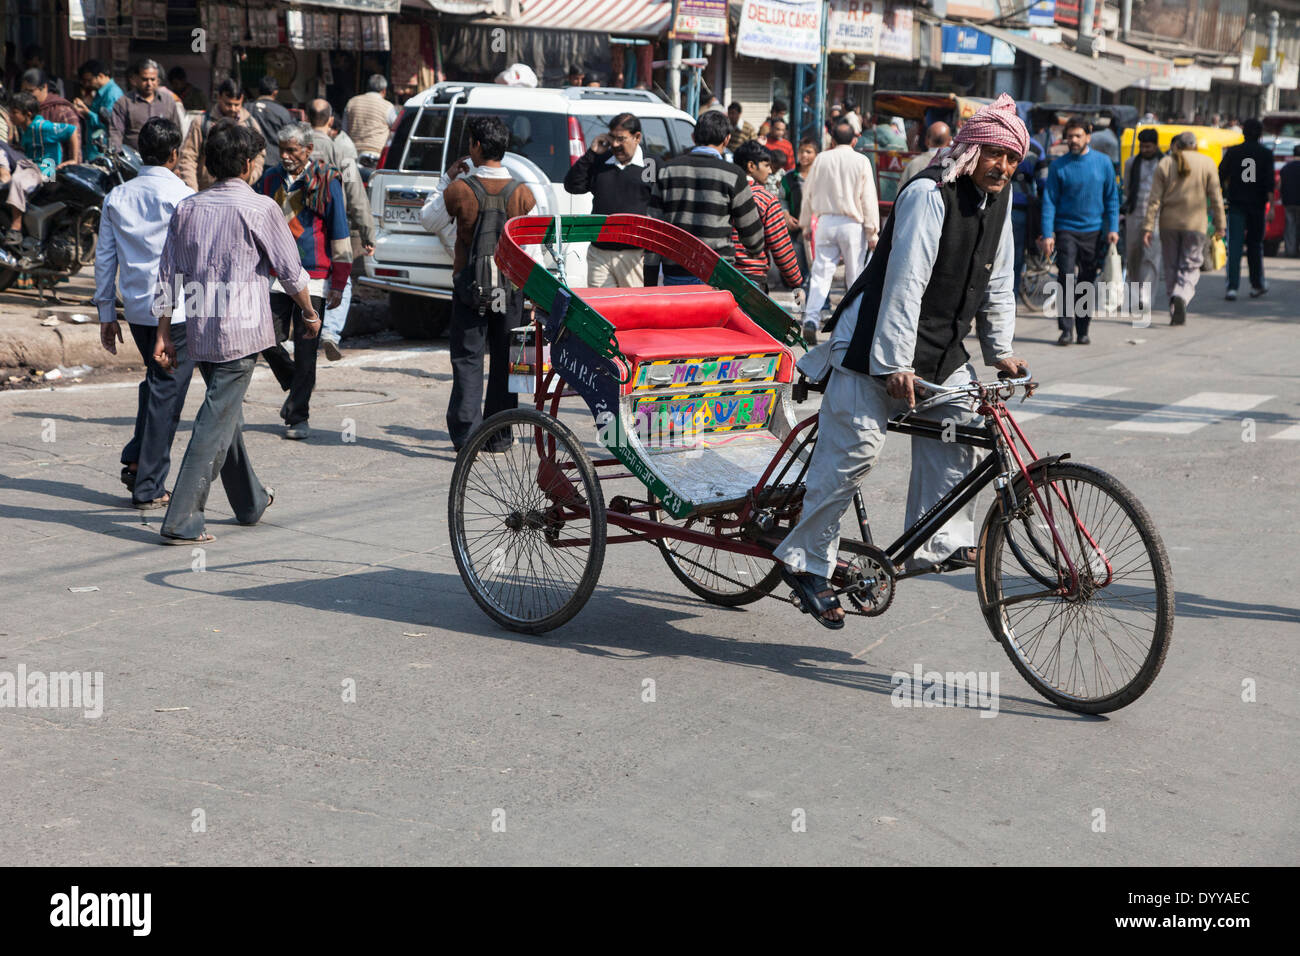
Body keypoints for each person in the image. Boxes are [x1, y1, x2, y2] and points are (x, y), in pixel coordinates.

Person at [776, 94, 1029, 627]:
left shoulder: (1001, 200)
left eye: (1012, 158)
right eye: (995, 155)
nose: (1003, 166)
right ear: (972, 150)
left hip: (939, 349)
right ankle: (805, 563)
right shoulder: (929, 194)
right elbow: (904, 282)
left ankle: (938, 540)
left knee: (962, 424)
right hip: (873, 345)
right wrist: (894, 363)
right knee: (854, 454)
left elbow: (998, 280)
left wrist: (1000, 350)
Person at [154, 123, 319, 544]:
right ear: (247, 165)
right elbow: (290, 270)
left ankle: (250, 502)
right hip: (241, 332)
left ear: (209, 163)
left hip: (199, 329)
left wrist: (162, 332)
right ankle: (181, 518)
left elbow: (166, 275)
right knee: (214, 419)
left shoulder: (187, 208)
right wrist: (309, 312)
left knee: (224, 413)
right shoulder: (260, 208)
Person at [94, 118, 196, 508]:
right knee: (167, 391)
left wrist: (106, 312)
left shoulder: (118, 196)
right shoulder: (184, 196)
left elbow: (105, 258)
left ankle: (138, 461)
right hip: (178, 312)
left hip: (137, 308)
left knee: (158, 384)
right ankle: (148, 483)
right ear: (174, 154)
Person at [420, 115, 536, 451]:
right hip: (510, 291)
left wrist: (446, 178)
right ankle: (499, 436)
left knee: (468, 360)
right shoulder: (522, 193)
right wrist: (531, 298)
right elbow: (530, 251)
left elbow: (429, 221)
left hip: (470, 289)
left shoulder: (460, 189)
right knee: (505, 362)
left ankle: (467, 437)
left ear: (476, 146)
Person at [257, 122, 352, 440]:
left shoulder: (328, 179)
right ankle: (296, 382)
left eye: (292, 150)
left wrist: (339, 281)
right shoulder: (269, 179)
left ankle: (298, 415)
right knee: (266, 336)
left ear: (308, 150)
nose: (285, 156)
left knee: (307, 348)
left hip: (315, 276)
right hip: (275, 274)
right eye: (281, 150)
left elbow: (340, 229)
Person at [645, 109, 763, 287]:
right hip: (717, 273)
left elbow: (654, 228)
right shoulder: (733, 174)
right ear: (727, 139)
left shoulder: (667, 171)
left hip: (676, 272)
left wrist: (651, 278)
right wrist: (755, 249)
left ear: (693, 137)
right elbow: (751, 233)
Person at [1038, 116, 1119, 346]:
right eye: (1070, 136)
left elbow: (1112, 198)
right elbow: (1049, 201)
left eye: (1077, 136)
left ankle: (1083, 329)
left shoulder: (1103, 163)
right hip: (1066, 230)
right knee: (1066, 277)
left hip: (1093, 232)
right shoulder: (1058, 166)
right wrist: (1047, 234)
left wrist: (1112, 228)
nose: (1073, 140)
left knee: (1086, 280)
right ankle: (1066, 329)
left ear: (1088, 136)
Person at [306, 99, 376, 360]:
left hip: (300, 229)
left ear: (305, 117)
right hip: (335, 226)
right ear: (331, 120)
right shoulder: (341, 151)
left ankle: (302, 330)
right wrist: (368, 233)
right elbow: (355, 195)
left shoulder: (296, 148)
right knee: (342, 279)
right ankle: (331, 332)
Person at [799, 120, 879, 344]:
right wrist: (872, 232)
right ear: (854, 139)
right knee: (854, 276)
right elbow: (868, 199)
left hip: (824, 222)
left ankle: (811, 319)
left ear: (832, 140)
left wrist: (806, 224)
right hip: (852, 225)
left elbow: (808, 193)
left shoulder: (822, 159)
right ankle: (852, 325)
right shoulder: (861, 161)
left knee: (820, 274)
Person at [1141, 131, 1225, 325]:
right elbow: (1216, 198)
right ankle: (1181, 295)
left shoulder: (1165, 163)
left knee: (1170, 265)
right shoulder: (1207, 163)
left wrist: (1147, 227)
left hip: (1168, 223)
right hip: (1195, 224)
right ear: (1195, 145)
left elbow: (1154, 200)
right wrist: (1220, 225)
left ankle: (1174, 307)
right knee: (1190, 264)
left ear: (1176, 145)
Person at [563, 112, 651, 287]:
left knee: (632, 309)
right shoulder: (600, 161)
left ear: (637, 137)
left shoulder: (652, 165)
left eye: (621, 139)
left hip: (635, 255)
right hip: (599, 253)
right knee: (601, 309)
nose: (615, 145)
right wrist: (592, 153)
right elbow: (573, 185)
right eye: (612, 139)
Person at [729, 141, 802, 293]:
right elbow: (781, 247)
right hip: (752, 279)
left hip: (721, 276)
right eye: (766, 165)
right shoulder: (766, 199)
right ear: (751, 166)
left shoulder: (723, 193)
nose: (770, 171)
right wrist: (795, 281)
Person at [1219, 118, 1274, 299]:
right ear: (1260, 134)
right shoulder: (1266, 154)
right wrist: (1271, 207)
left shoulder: (1233, 152)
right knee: (1254, 245)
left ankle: (1232, 287)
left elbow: (1221, 174)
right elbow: (1269, 184)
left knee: (1234, 246)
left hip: (1236, 204)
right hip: (1257, 206)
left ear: (1243, 133)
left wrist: (1225, 193)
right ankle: (1256, 284)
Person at [177, 78, 265, 191]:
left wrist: (249, 178)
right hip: (206, 191)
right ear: (219, 97)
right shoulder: (201, 123)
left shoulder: (250, 124)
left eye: (236, 105)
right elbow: (188, 158)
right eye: (228, 104)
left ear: (242, 99)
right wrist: (193, 190)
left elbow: (259, 156)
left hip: (241, 193)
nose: (233, 109)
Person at [1122, 128, 1163, 308]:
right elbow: (1127, 189)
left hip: (1157, 218)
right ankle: (1133, 294)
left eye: (1148, 147)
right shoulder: (1131, 163)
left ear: (1155, 146)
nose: (1145, 150)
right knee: (1133, 256)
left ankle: (1145, 297)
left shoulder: (1164, 163)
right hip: (1134, 214)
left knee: (1151, 257)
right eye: (1142, 146)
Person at [110, 59, 185, 151]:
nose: (149, 83)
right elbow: (116, 132)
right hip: (133, 160)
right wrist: (118, 154)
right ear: (135, 79)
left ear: (158, 80)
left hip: (162, 159)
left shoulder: (168, 101)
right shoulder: (124, 102)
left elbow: (176, 130)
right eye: (145, 79)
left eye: (152, 79)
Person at [19, 68, 82, 163]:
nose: (26, 96)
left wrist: (73, 161)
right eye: (24, 92)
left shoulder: (62, 111)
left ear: (44, 87)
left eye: (30, 92)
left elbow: (75, 140)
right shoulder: (24, 111)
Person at [780, 137, 818, 281]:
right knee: (797, 261)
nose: (804, 155)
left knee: (814, 263)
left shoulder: (821, 175)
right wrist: (786, 216)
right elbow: (782, 198)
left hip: (816, 229)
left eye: (808, 152)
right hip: (795, 229)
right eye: (801, 151)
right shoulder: (789, 177)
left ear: (816, 155)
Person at [73, 60, 124, 162]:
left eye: (89, 80)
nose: (87, 84)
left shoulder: (112, 94)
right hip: (94, 150)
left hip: (103, 151)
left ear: (100, 76)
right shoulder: (101, 92)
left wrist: (86, 112)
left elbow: (109, 122)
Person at [343, 74, 398, 159]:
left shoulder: (352, 102)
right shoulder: (387, 106)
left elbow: (344, 130)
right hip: (376, 154)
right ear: (384, 91)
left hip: (353, 152)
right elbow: (396, 130)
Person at [246, 76, 294, 168]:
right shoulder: (282, 112)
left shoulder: (246, 108)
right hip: (275, 164)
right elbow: (290, 138)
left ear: (258, 90)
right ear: (275, 92)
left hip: (251, 163)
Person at [899, 121, 952, 188]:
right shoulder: (954, 166)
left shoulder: (913, 163)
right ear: (949, 141)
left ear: (926, 141)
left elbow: (901, 191)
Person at [1281, 144, 1300, 257]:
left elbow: (1279, 185)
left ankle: (1290, 251)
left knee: (1290, 226)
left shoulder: (1286, 168)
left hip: (1288, 201)